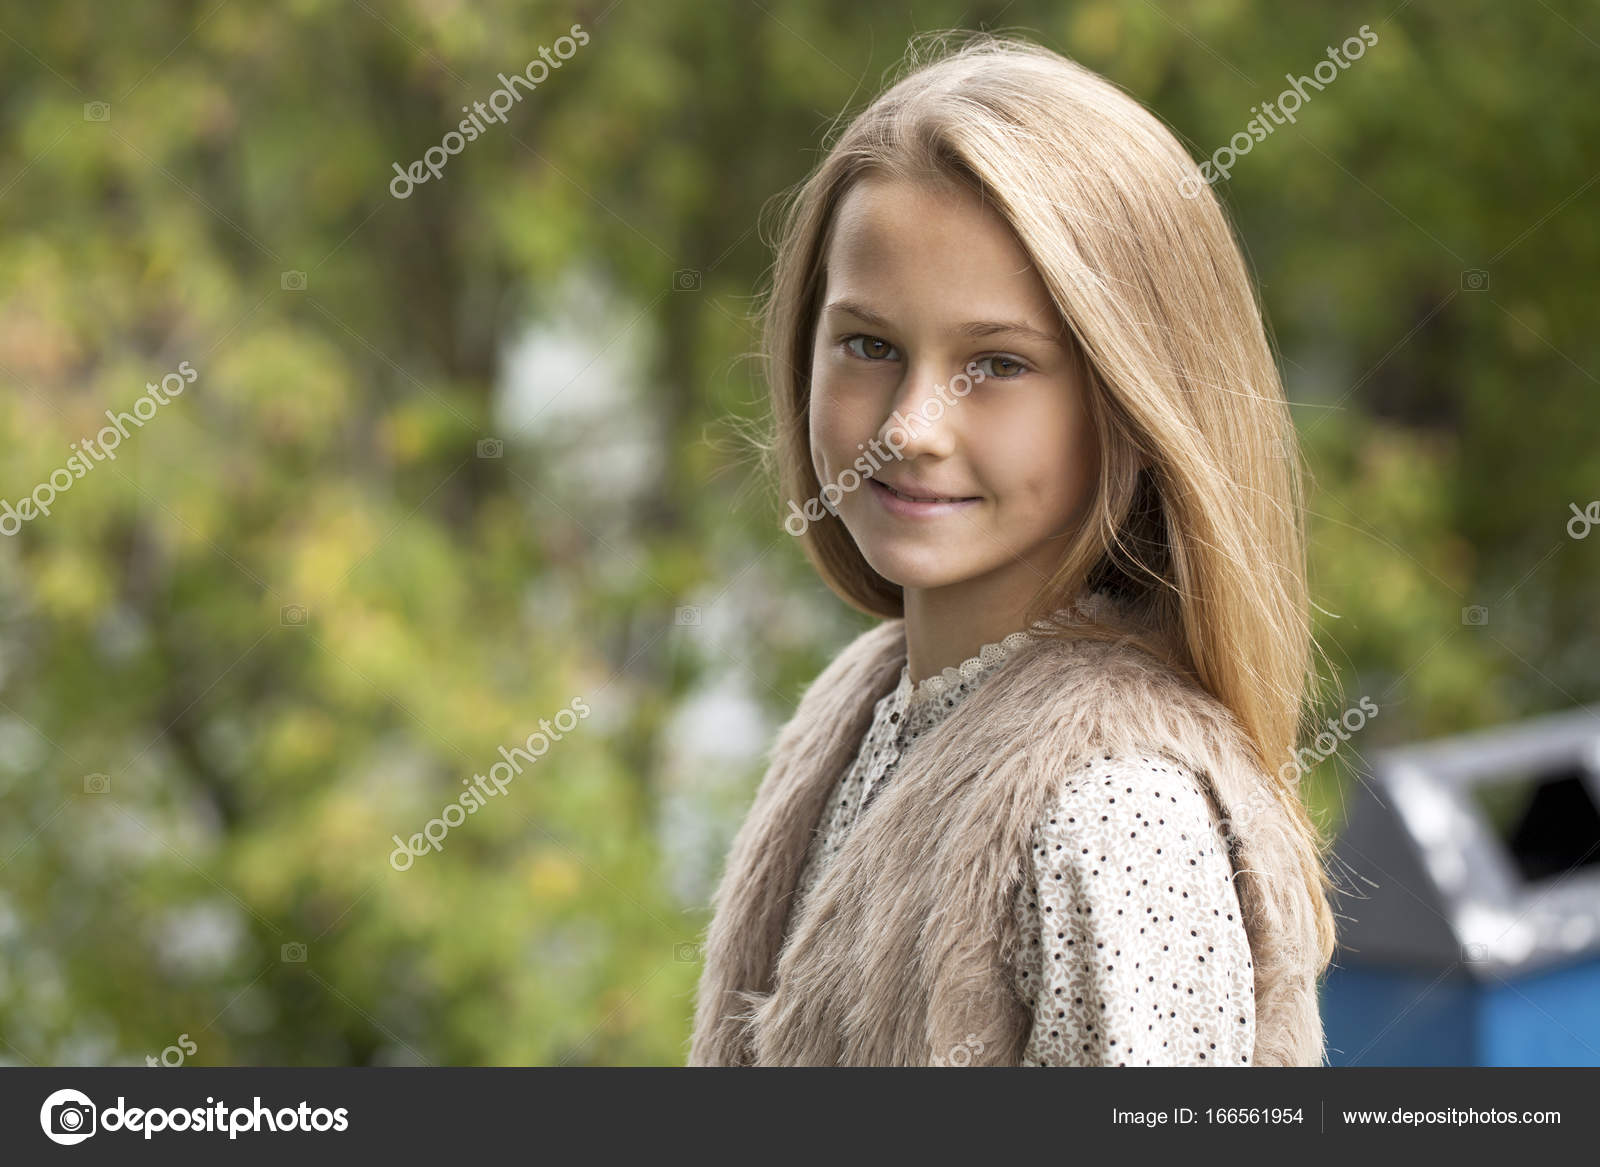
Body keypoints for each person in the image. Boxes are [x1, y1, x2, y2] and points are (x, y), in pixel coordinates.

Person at [689, 31, 1337, 1067]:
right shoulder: (860, 701)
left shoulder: (1119, 815)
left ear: (1131, 398)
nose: (910, 426)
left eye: (995, 363)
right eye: (868, 345)